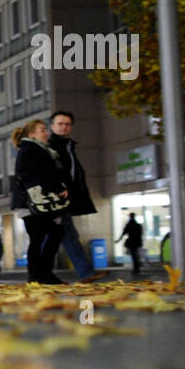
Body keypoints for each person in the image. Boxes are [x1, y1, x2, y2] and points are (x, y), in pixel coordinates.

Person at [47, 110, 108, 282]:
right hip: (55, 200)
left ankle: (85, 273)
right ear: (52, 126)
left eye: (67, 124)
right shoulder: (52, 146)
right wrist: (59, 189)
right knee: (64, 236)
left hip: (62, 199)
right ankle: (84, 273)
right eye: (60, 124)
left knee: (66, 236)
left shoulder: (67, 146)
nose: (64, 127)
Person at [11, 118, 70, 284]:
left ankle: (40, 275)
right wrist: (57, 188)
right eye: (42, 130)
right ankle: (40, 275)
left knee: (44, 236)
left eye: (46, 130)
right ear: (32, 134)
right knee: (47, 235)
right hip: (31, 203)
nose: (46, 133)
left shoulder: (40, 150)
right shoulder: (30, 150)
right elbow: (35, 175)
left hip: (38, 202)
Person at [118, 212, 144, 276]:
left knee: (134, 256)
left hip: (132, 242)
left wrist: (118, 240)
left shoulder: (129, 225)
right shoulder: (138, 225)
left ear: (130, 217)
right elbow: (140, 234)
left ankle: (136, 269)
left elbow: (123, 233)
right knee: (136, 255)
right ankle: (137, 268)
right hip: (137, 242)